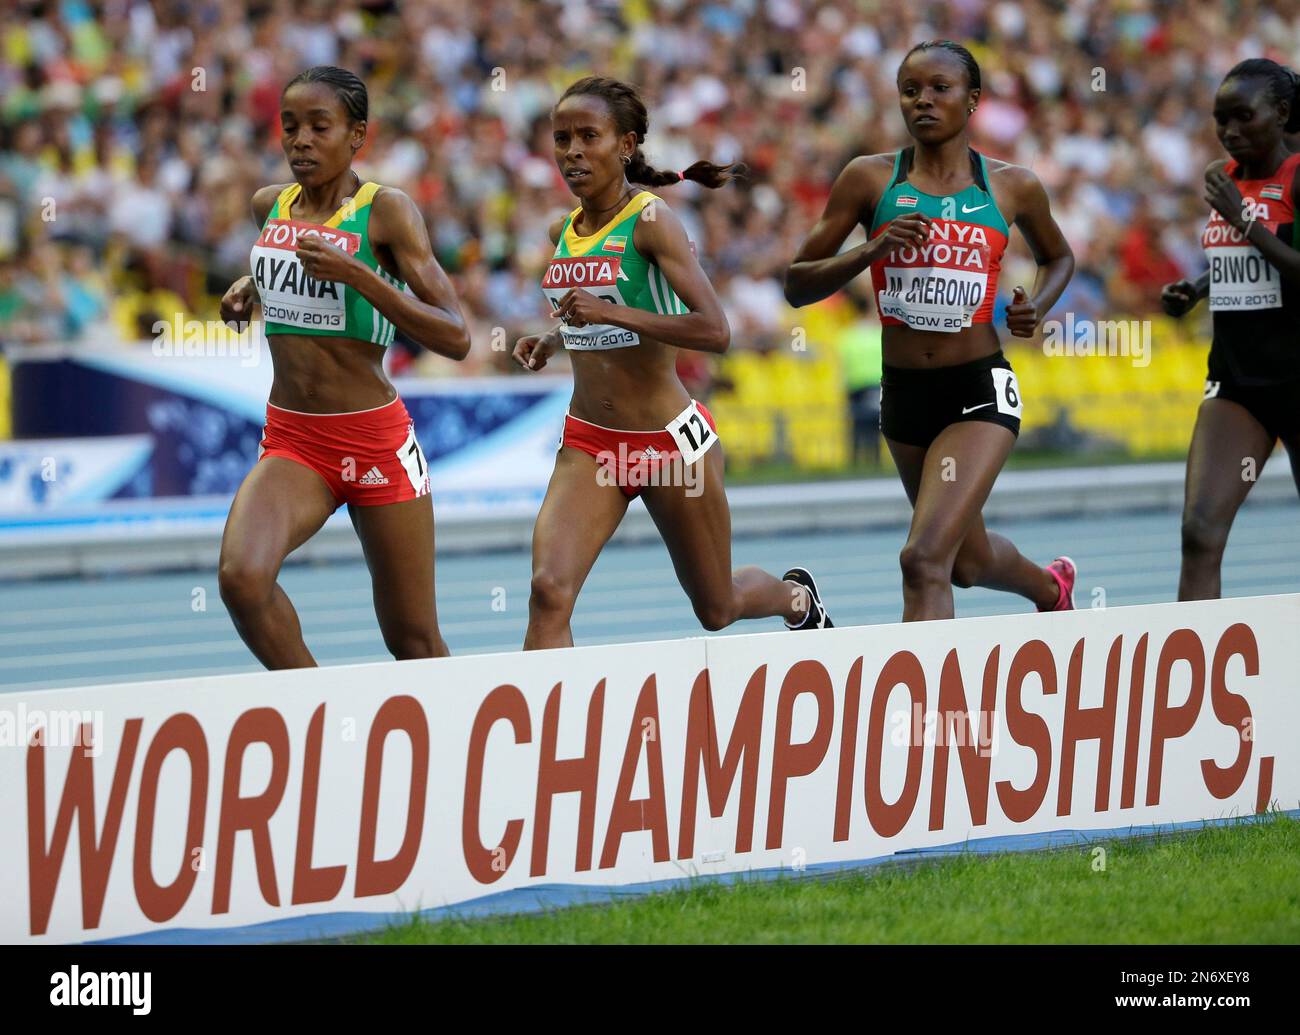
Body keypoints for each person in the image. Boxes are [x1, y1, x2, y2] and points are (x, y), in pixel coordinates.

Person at [513, 75, 831, 649]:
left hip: (668, 444)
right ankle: (548, 713)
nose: (573, 151)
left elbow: (715, 331)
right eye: (562, 139)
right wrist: (554, 338)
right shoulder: (564, 229)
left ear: (626, 145)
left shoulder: (652, 221)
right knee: (547, 592)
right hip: (590, 442)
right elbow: (596, 310)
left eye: (588, 136)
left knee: (717, 606)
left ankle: (796, 598)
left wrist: (610, 314)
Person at [784, 40, 1076, 621]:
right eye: (910, 90)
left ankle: (922, 687)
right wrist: (871, 250)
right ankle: (1051, 590)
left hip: (978, 390)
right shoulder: (869, 179)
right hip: (905, 395)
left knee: (923, 560)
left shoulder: (1012, 185)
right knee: (967, 561)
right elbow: (797, 284)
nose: (923, 100)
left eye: (940, 89)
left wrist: (1036, 307)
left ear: (973, 100)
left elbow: (1059, 256)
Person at [218, 66, 470, 668]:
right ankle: (320, 709)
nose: (300, 140)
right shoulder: (269, 205)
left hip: (375, 440)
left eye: (319, 126)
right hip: (295, 439)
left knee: (412, 641)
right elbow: (291, 272)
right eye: (290, 127)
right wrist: (251, 285)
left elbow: (456, 336)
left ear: (357, 135)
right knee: (241, 579)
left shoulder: (387, 212)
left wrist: (359, 275)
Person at [1162, 59, 1300, 600]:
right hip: (1238, 384)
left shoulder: (1295, 178)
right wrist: (1196, 289)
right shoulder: (1225, 178)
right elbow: (1241, 260)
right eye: (1221, 119)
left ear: (1281, 113)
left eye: (1244, 117)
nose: (1231, 131)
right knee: (1199, 533)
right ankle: (1192, 655)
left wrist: (1242, 217)